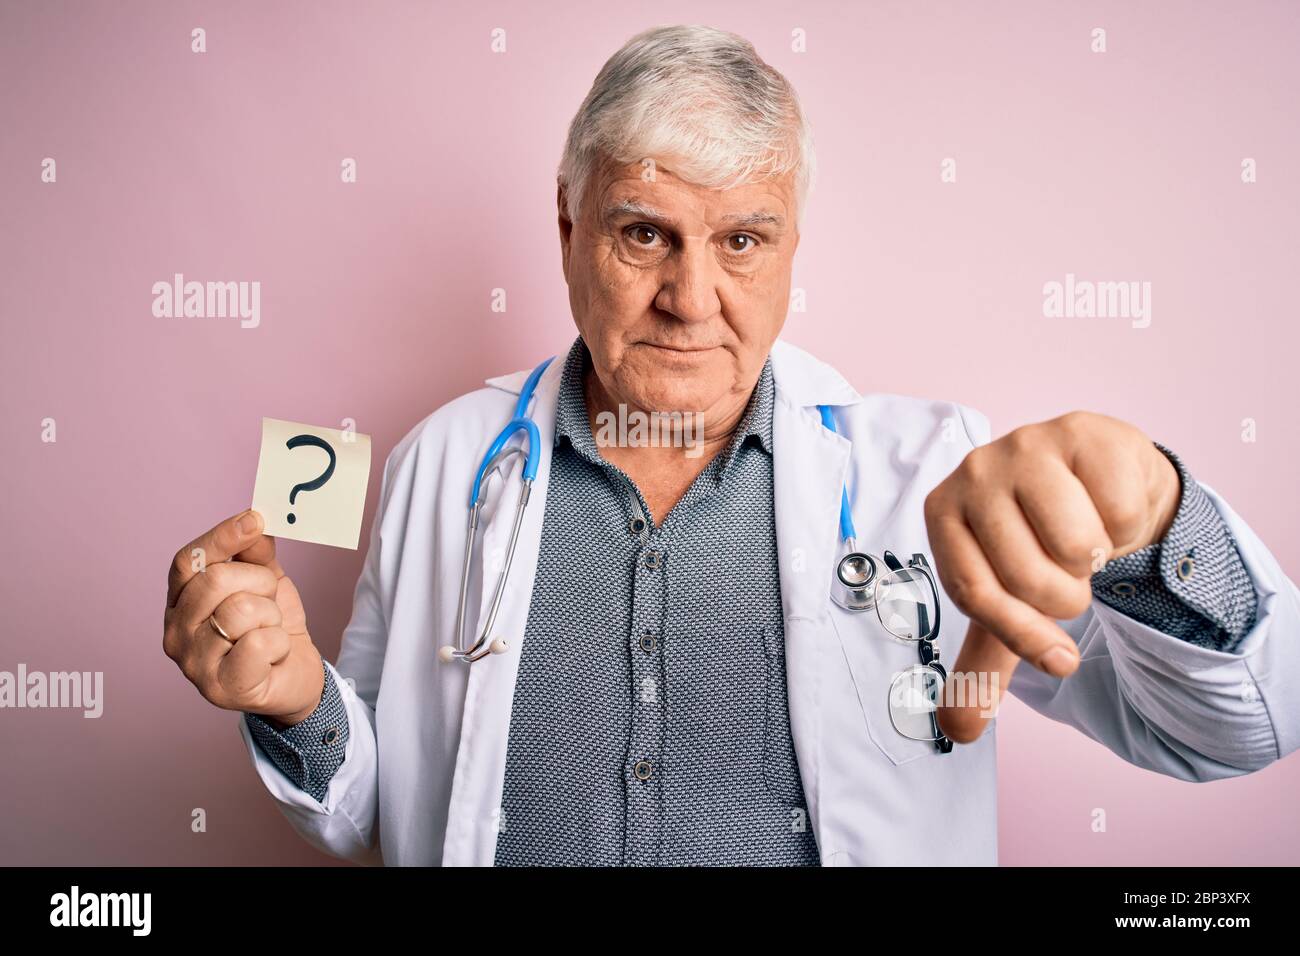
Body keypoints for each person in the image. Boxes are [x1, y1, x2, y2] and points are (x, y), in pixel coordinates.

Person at [161, 24, 1300, 866]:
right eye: (642, 232)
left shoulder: (931, 477)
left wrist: (1154, 517)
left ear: (793, 246)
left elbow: (1236, 732)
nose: (689, 297)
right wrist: (297, 699)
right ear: (567, 227)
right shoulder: (441, 463)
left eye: (742, 239)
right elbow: (375, 803)